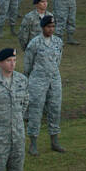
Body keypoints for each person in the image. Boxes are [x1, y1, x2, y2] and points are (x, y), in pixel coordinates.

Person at [24, 15, 65, 154]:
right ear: (42, 27)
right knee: (35, 111)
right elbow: (28, 64)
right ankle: (33, 143)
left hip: (54, 79)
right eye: (49, 27)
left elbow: (58, 59)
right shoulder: (34, 43)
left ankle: (54, 141)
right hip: (38, 80)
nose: (51, 29)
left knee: (55, 109)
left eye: (53, 27)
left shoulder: (58, 42)